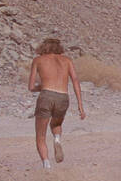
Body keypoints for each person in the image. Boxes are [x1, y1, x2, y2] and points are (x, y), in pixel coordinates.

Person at [28, 37, 85, 170]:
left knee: (41, 135)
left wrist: (42, 86)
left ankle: (46, 164)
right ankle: (57, 139)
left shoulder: (38, 60)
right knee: (56, 123)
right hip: (63, 97)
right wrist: (80, 107)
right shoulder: (67, 60)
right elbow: (75, 81)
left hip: (46, 95)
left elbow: (31, 87)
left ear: (43, 48)